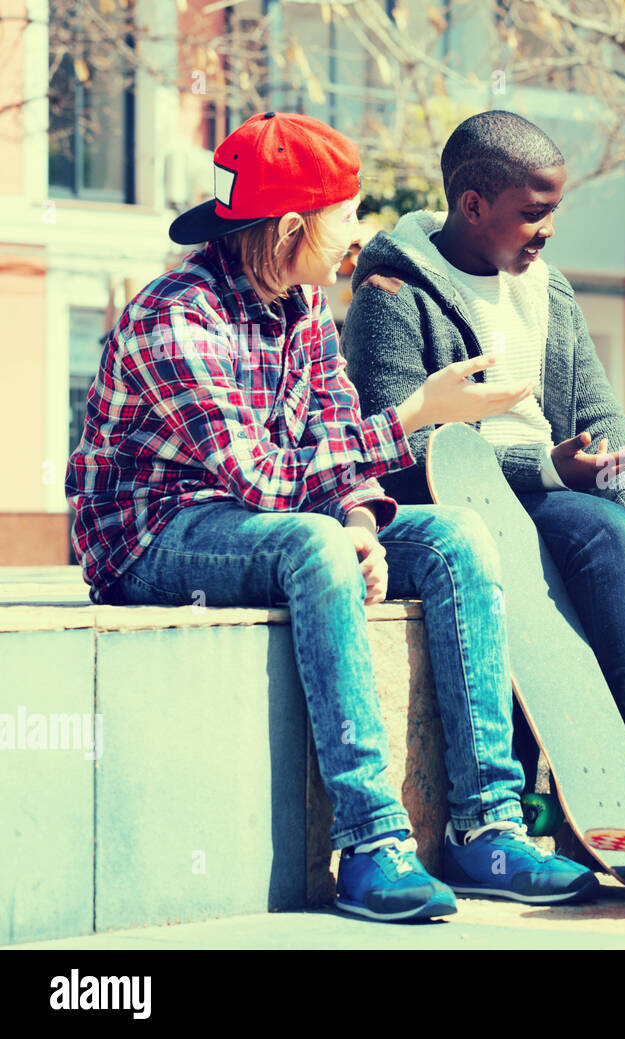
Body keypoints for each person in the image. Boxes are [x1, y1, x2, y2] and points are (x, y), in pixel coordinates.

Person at [64, 112, 597, 920]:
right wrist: (417, 412)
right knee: (312, 546)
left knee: (455, 534)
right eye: (345, 214)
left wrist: (357, 514)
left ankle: (486, 825)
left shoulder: (305, 304)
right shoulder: (174, 320)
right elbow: (264, 478)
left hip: (263, 514)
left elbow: (328, 435)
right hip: (154, 535)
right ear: (289, 230)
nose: (362, 230)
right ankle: (370, 843)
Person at [341, 110, 625, 827]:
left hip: (577, 489)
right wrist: (546, 469)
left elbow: (603, 418)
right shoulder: (392, 296)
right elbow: (395, 452)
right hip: (489, 500)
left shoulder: (547, 289)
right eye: (533, 214)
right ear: (474, 205)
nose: (548, 231)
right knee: (606, 535)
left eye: (554, 212)